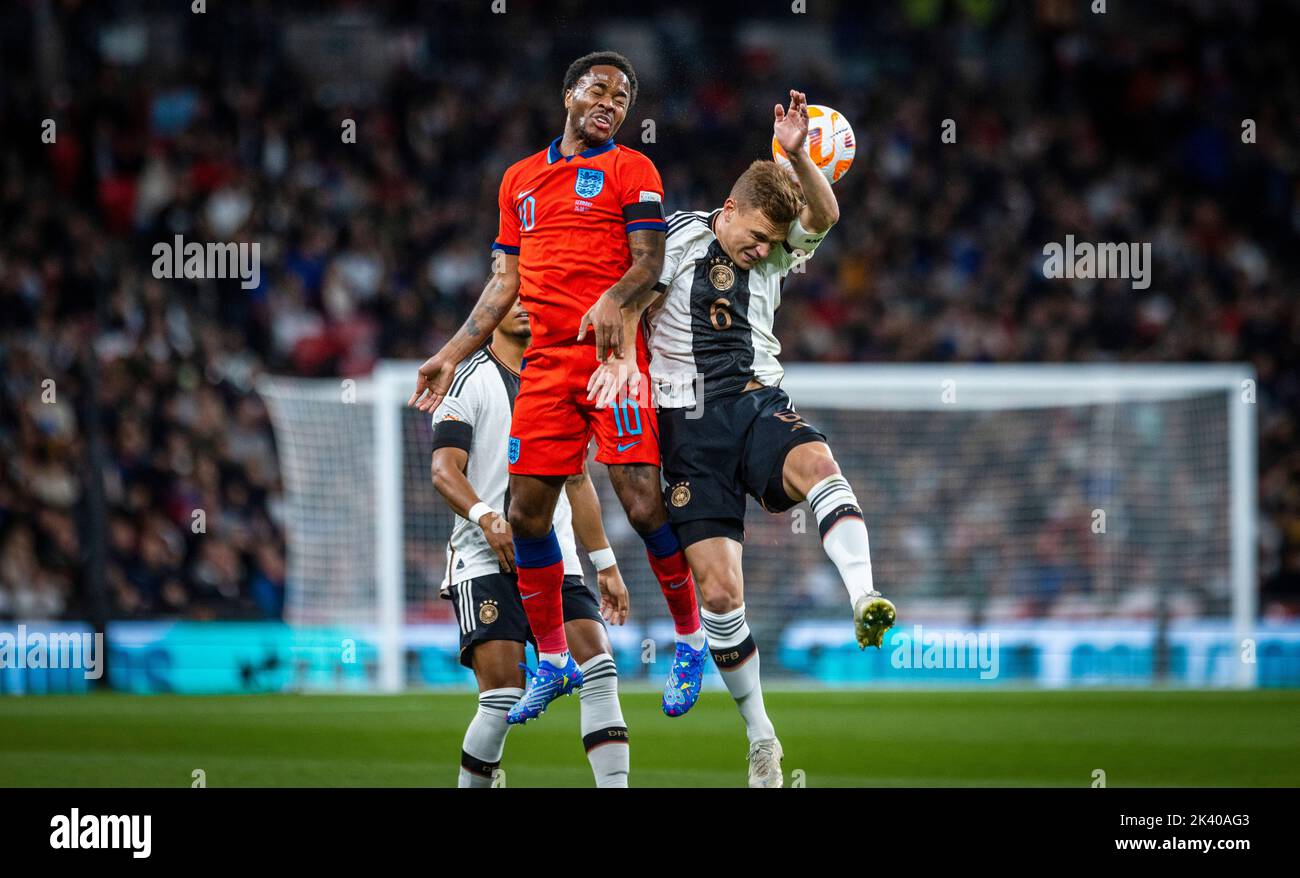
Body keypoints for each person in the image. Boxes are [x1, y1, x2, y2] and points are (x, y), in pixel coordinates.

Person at [592, 91, 897, 787]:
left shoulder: (781, 244)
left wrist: (793, 156)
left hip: (755, 400)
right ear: (728, 212)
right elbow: (622, 293)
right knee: (722, 595)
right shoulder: (666, 244)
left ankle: (863, 599)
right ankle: (761, 735)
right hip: (685, 429)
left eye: (773, 245)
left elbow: (823, 215)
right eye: (756, 238)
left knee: (818, 460)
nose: (765, 252)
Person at [409, 51, 707, 725]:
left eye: (623, 97)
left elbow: (651, 261)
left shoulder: (635, 170)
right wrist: (450, 354)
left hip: (613, 361)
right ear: (569, 94)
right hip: (546, 366)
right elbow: (502, 282)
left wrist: (614, 302)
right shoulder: (519, 180)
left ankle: (692, 641)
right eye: (599, 89)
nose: (611, 102)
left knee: (640, 501)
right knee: (526, 515)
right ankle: (553, 661)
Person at [431, 301, 632, 787]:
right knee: (501, 698)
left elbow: (578, 479)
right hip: (484, 561)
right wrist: (485, 517)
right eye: (512, 297)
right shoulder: (468, 379)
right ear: (492, 304)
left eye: (530, 296)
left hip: (555, 558)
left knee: (600, 671)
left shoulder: (559, 378)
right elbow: (443, 470)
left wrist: (604, 562)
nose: (523, 306)